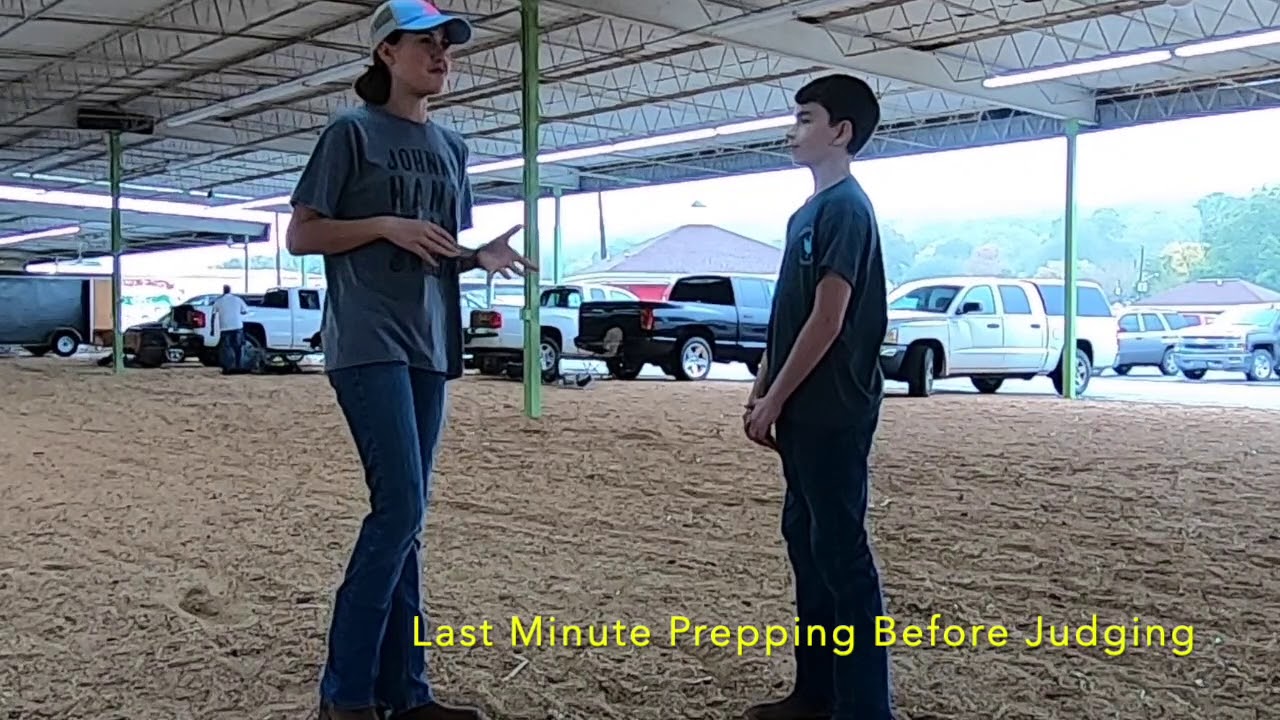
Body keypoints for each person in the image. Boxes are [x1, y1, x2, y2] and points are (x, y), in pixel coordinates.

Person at [284, 2, 536, 719]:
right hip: (367, 337)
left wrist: (478, 254)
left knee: (409, 515)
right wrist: (383, 224)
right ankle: (347, 694)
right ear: (385, 54)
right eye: (424, 44)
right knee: (397, 509)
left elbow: (440, 246)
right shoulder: (349, 133)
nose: (441, 56)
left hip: (430, 340)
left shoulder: (453, 148)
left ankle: (407, 692)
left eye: (446, 46)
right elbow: (304, 235)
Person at [742, 74, 894, 720]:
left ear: (841, 133)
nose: (793, 128)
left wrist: (776, 398)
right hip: (803, 408)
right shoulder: (805, 215)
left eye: (806, 118)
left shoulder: (847, 211)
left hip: (832, 409)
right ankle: (817, 692)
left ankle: (865, 706)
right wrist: (764, 385)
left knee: (842, 555)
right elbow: (791, 312)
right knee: (807, 543)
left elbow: (830, 319)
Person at [211, 284, 249, 373]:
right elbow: (245, 311)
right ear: (230, 290)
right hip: (237, 326)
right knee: (238, 347)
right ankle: (238, 366)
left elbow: (213, 316)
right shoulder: (237, 299)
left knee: (226, 348)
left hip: (224, 327)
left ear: (223, 290)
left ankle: (227, 367)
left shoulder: (219, 301)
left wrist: (212, 329)